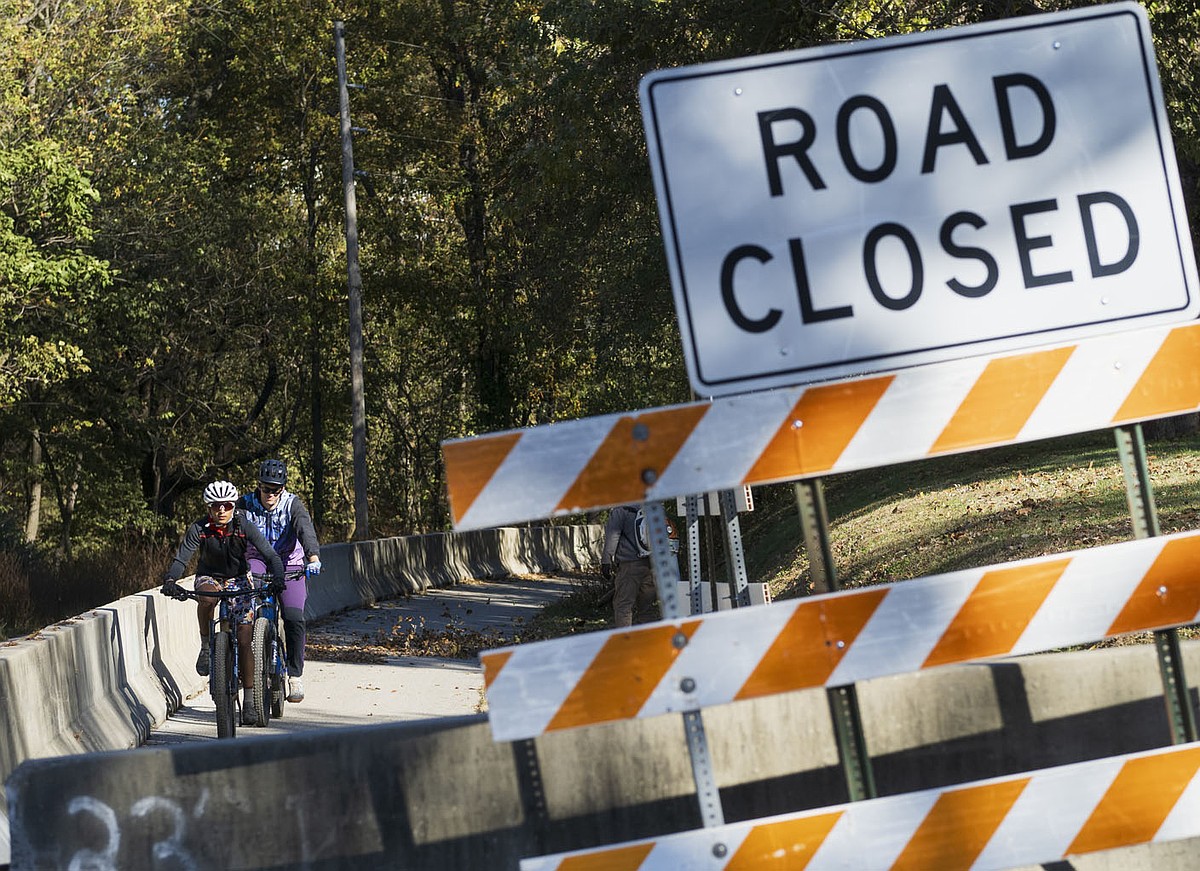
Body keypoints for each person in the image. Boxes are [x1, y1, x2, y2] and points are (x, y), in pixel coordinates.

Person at [161, 480, 286, 724]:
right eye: (216, 506)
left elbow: (270, 554)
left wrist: (279, 576)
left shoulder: (243, 526)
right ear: (208, 507)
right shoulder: (199, 528)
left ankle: (248, 702)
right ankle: (206, 646)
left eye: (227, 505)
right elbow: (181, 559)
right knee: (206, 599)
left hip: (239, 579)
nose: (221, 510)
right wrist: (170, 580)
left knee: (245, 639)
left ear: (233, 506)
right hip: (209, 577)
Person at [236, 459, 322, 703]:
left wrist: (313, 559)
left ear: (283, 489)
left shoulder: (292, 504)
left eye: (276, 490)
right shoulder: (245, 504)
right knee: (243, 610)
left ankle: (295, 675)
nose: (271, 495)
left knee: (294, 617)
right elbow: (233, 534)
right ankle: (240, 663)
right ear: (259, 486)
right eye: (266, 489)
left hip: (289, 563)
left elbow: (305, 530)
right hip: (258, 560)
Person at [601, 503, 660, 628]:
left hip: (629, 565)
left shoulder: (621, 510)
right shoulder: (650, 506)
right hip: (651, 564)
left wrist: (606, 561)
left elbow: (613, 536)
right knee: (647, 608)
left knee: (623, 606)